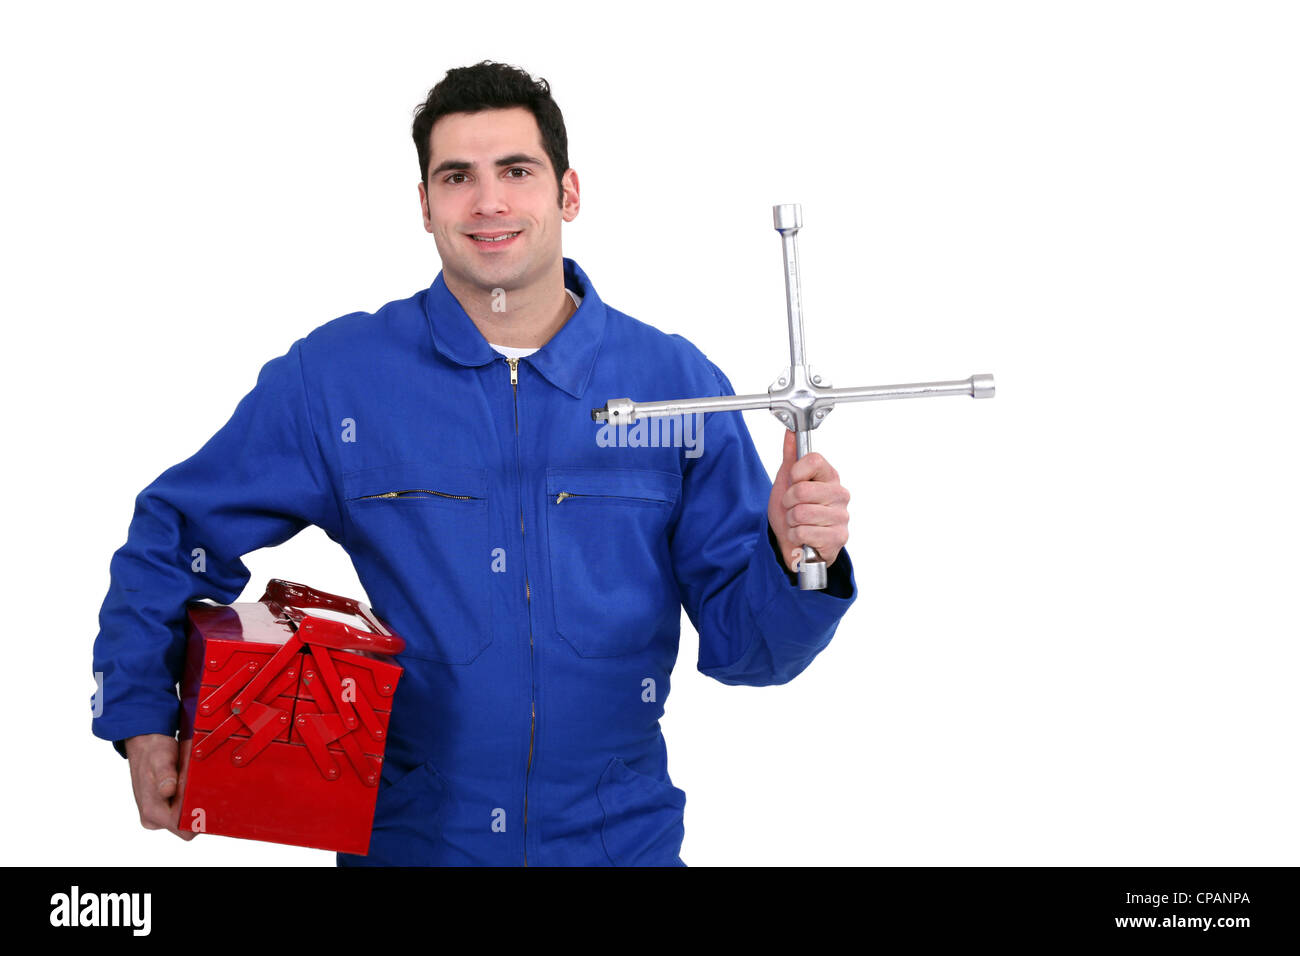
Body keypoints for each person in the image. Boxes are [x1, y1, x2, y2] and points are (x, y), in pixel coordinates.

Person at [91, 60, 857, 866]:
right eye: (457, 177)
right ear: (425, 205)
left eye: (517, 171)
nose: (488, 202)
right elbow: (176, 532)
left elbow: (751, 652)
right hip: (413, 847)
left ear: (568, 193)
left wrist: (797, 560)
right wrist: (142, 716)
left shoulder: (674, 385)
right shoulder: (340, 378)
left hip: (620, 845)